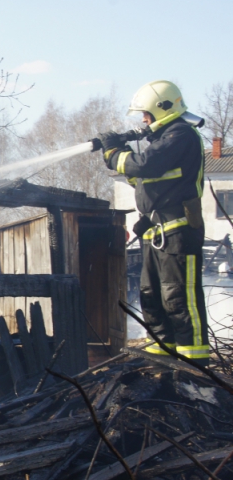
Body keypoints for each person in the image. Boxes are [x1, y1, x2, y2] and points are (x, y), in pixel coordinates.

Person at [98, 80, 210, 365]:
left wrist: (113, 155)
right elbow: (148, 181)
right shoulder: (163, 142)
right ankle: (161, 358)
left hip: (179, 231)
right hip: (158, 232)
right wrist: (146, 218)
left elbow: (146, 165)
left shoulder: (182, 134)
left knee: (179, 300)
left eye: (145, 114)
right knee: (151, 297)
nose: (143, 120)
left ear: (163, 108)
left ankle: (194, 367)